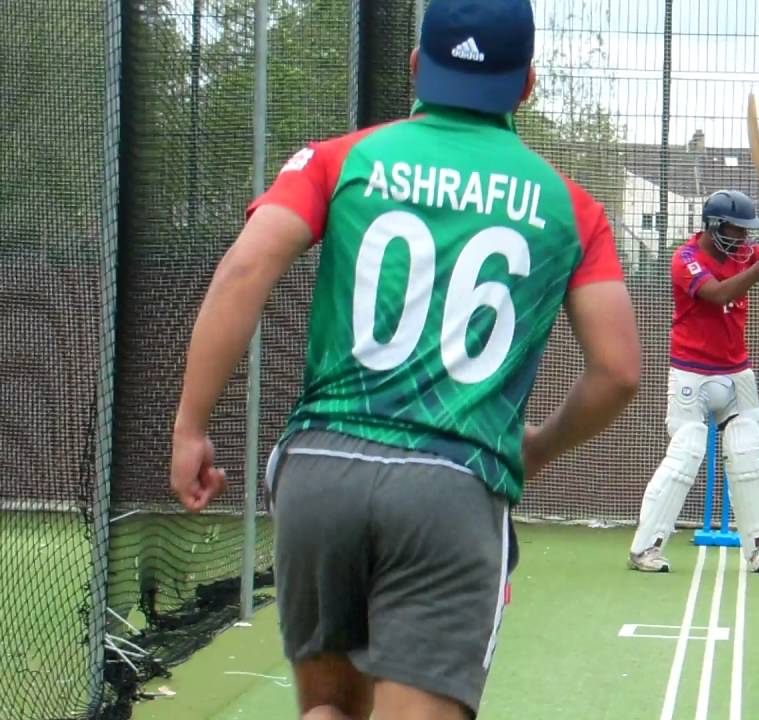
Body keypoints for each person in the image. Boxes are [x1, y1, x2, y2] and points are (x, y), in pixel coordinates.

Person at [168, 0, 641, 717]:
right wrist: (536, 449)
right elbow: (618, 371)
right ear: (528, 85)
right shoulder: (571, 208)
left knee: (327, 708)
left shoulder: (339, 159)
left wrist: (190, 425)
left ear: (419, 66)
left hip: (319, 475)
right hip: (450, 489)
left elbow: (245, 270)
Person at [627, 189, 759, 574]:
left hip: (736, 372)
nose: (742, 238)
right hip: (691, 372)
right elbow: (718, 293)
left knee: (748, 456)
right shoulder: (685, 259)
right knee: (686, 453)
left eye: (746, 231)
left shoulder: (745, 255)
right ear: (713, 225)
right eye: (735, 230)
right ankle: (646, 549)